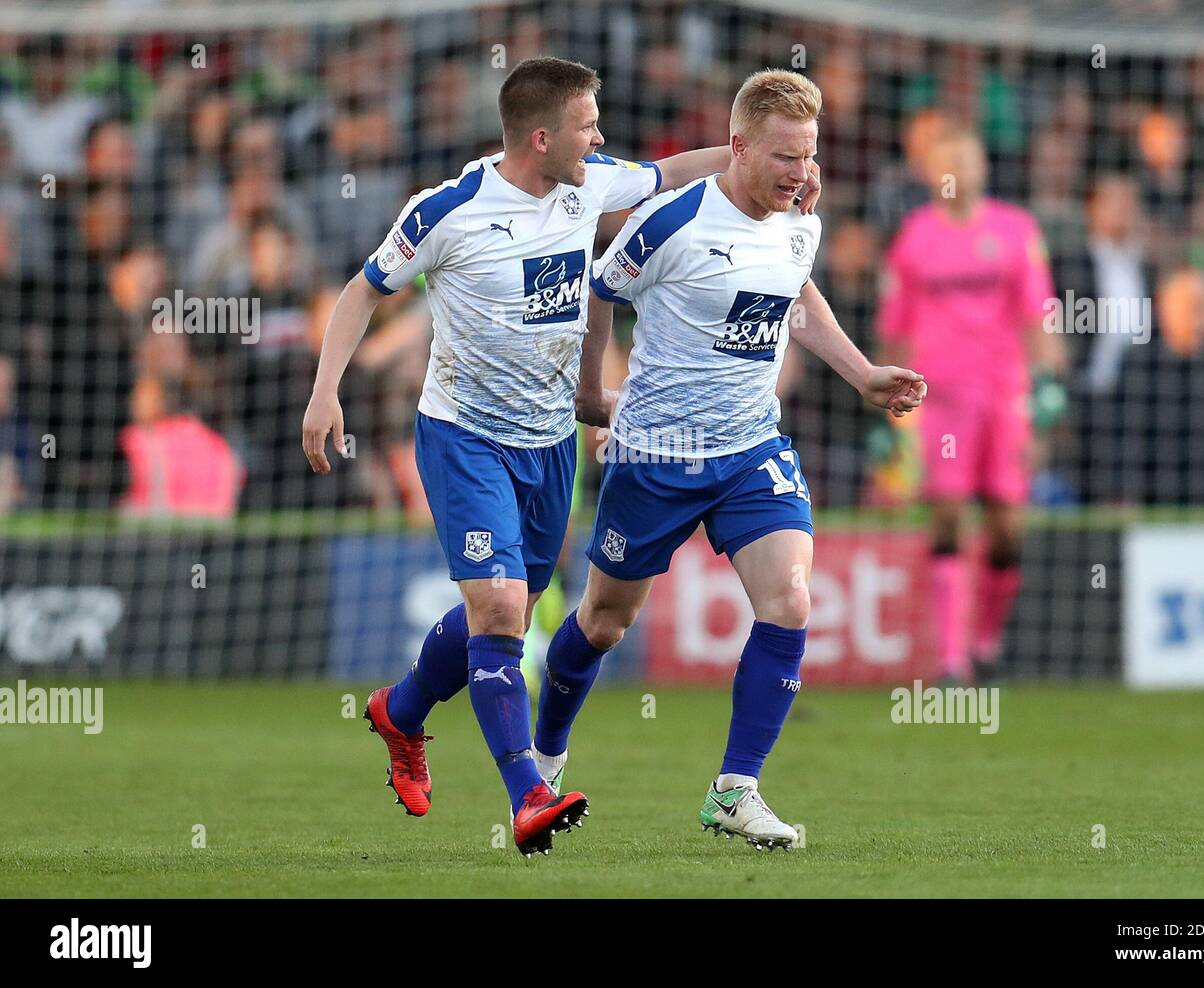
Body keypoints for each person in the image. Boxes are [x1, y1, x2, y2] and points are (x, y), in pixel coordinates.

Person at [301, 56, 820, 858]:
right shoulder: (451, 210)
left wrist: (771, 165)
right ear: (541, 138)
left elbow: (668, 171)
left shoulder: (588, 184)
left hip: (548, 444)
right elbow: (363, 289)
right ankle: (529, 796)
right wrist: (325, 389)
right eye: (588, 125)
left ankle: (401, 713)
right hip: (465, 437)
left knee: (508, 604)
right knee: (504, 612)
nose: (600, 137)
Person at [529, 69, 923, 850]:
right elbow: (600, 291)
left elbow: (796, 294)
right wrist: (592, 393)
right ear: (737, 147)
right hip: (657, 452)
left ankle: (736, 789)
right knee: (605, 622)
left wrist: (864, 373)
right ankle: (544, 757)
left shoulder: (800, 219)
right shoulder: (670, 222)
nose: (800, 172)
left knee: (793, 598)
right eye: (783, 155)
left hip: (750, 449)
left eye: (808, 155)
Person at [878, 126, 1062, 685]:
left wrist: (1049, 384)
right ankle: (953, 659)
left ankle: (987, 637)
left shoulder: (1016, 231)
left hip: (1006, 397)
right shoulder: (915, 238)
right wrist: (891, 406)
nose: (957, 169)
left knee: (1007, 524)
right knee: (950, 514)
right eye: (946, 159)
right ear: (932, 174)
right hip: (942, 400)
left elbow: (1040, 315)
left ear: (982, 169)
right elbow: (896, 328)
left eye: (966, 157)